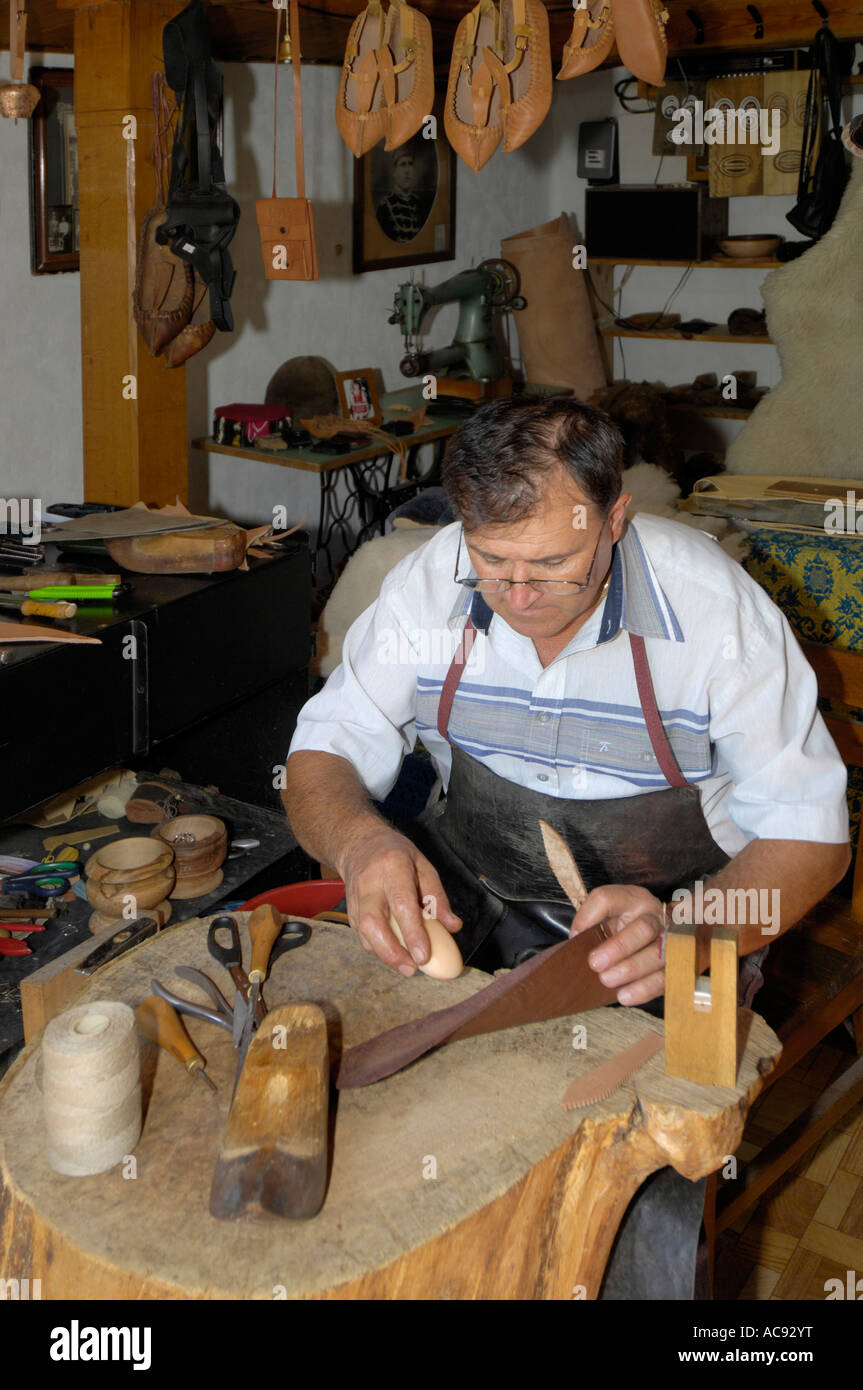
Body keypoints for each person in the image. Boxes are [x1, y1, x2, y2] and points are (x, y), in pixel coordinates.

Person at [284, 395, 850, 1002]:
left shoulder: (713, 610)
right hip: (466, 899)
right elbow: (322, 750)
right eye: (492, 559)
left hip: (668, 925)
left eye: (555, 563)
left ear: (614, 519)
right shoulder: (427, 584)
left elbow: (810, 837)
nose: (520, 597)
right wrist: (360, 843)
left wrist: (692, 929)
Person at [375, 148, 426, 244]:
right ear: (394, 172)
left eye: (410, 164)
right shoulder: (385, 207)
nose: (407, 170)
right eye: (402, 164)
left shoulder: (420, 205)